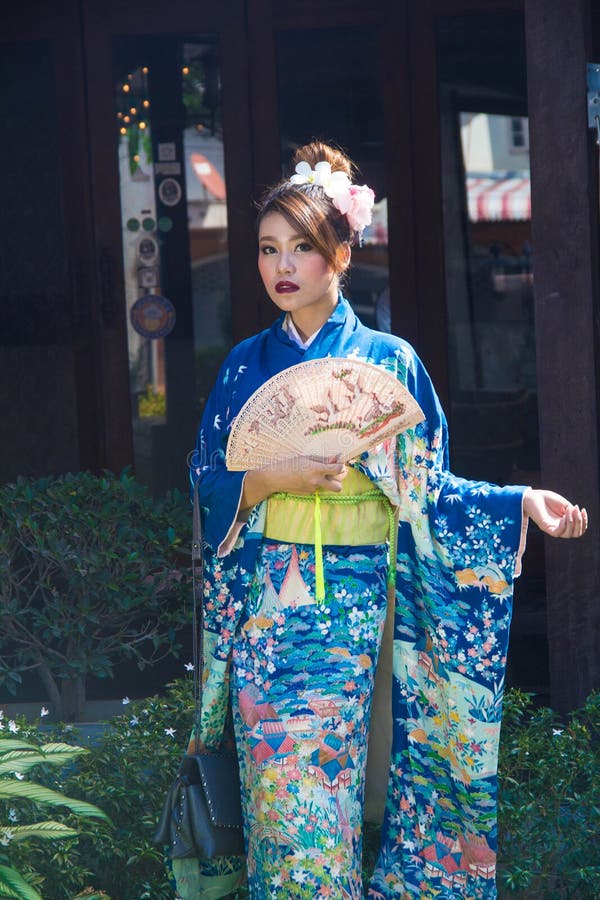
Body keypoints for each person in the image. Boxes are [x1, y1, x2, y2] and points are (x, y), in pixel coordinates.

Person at [172, 141, 587, 900]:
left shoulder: (391, 364)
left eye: (302, 247)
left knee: (342, 791)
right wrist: (275, 474)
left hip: (362, 609)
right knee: (288, 807)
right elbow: (207, 485)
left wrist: (518, 502)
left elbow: (429, 493)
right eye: (269, 249)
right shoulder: (242, 368)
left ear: (343, 254)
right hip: (270, 614)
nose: (281, 266)